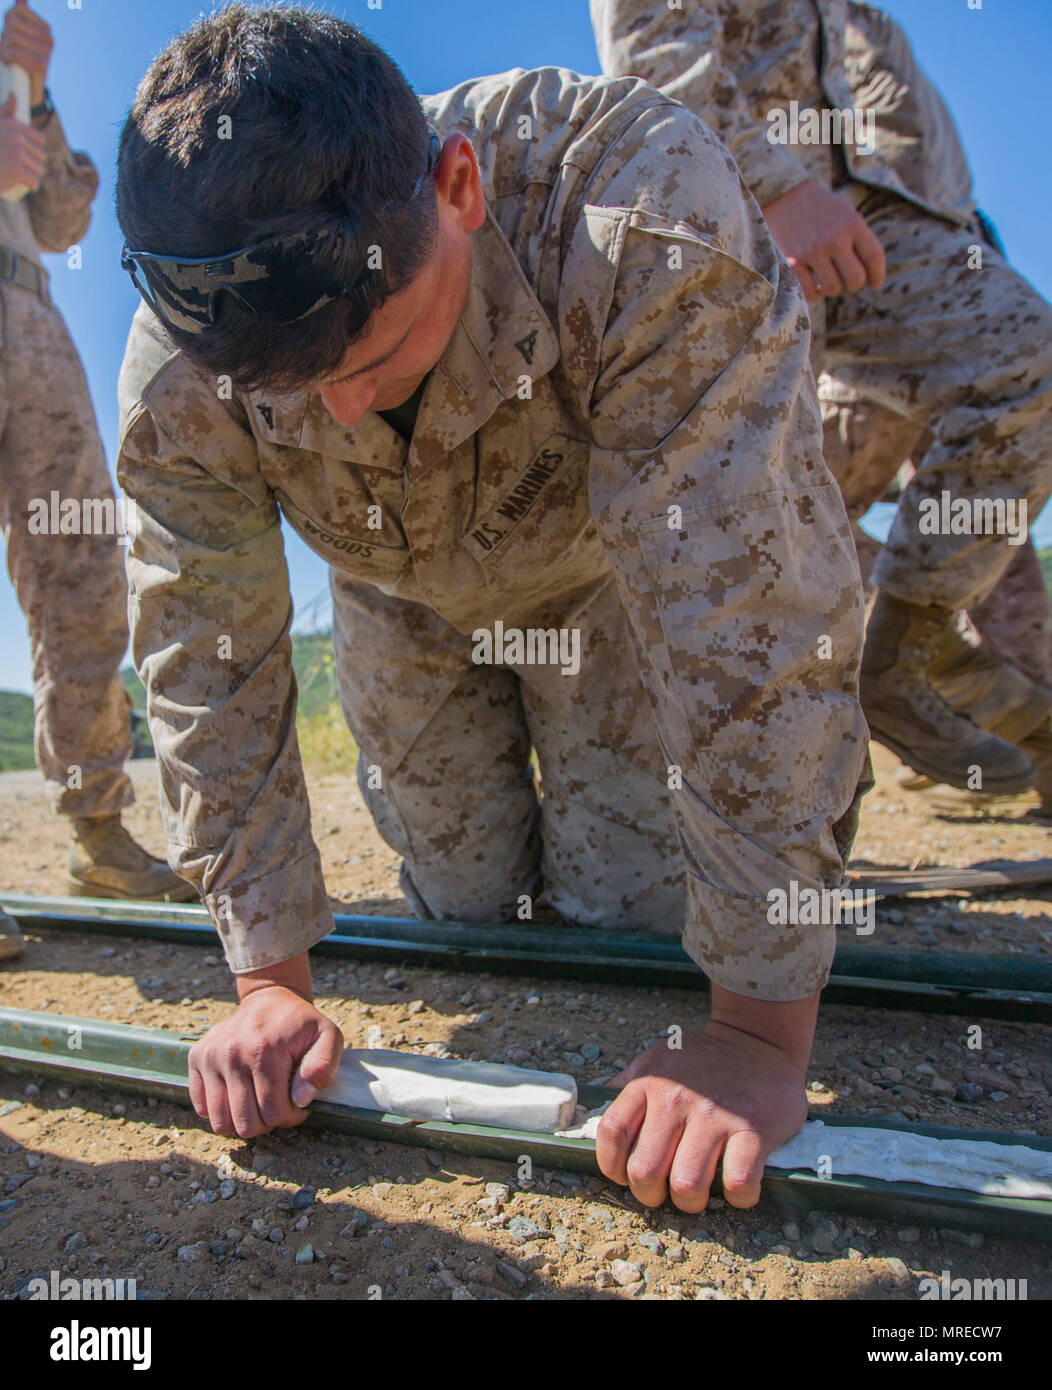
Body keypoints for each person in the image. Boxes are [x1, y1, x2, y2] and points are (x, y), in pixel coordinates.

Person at [114, 4, 870, 1211]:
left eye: (373, 356)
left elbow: (748, 611)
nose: (344, 417)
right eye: (298, 396)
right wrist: (269, 985)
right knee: (476, 916)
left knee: (624, 918)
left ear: (457, 187)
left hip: (597, 585)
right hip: (395, 603)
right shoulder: (180, 367)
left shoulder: (635, 209)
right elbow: (206, 654)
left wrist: (757, 1035)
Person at [591, 0, 1052, 798]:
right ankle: (788, 822)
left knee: (1025, 362)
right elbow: (654, 55)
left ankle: (906, 659)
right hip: (727, 210)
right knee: (758, 522)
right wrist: (772, 184)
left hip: (857, 210)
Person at [0, 0, 193, 965]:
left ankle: (99, 833)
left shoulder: (11, 59)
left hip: (29, 314)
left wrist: (32, 108)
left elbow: (62, 213)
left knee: (80, 571)